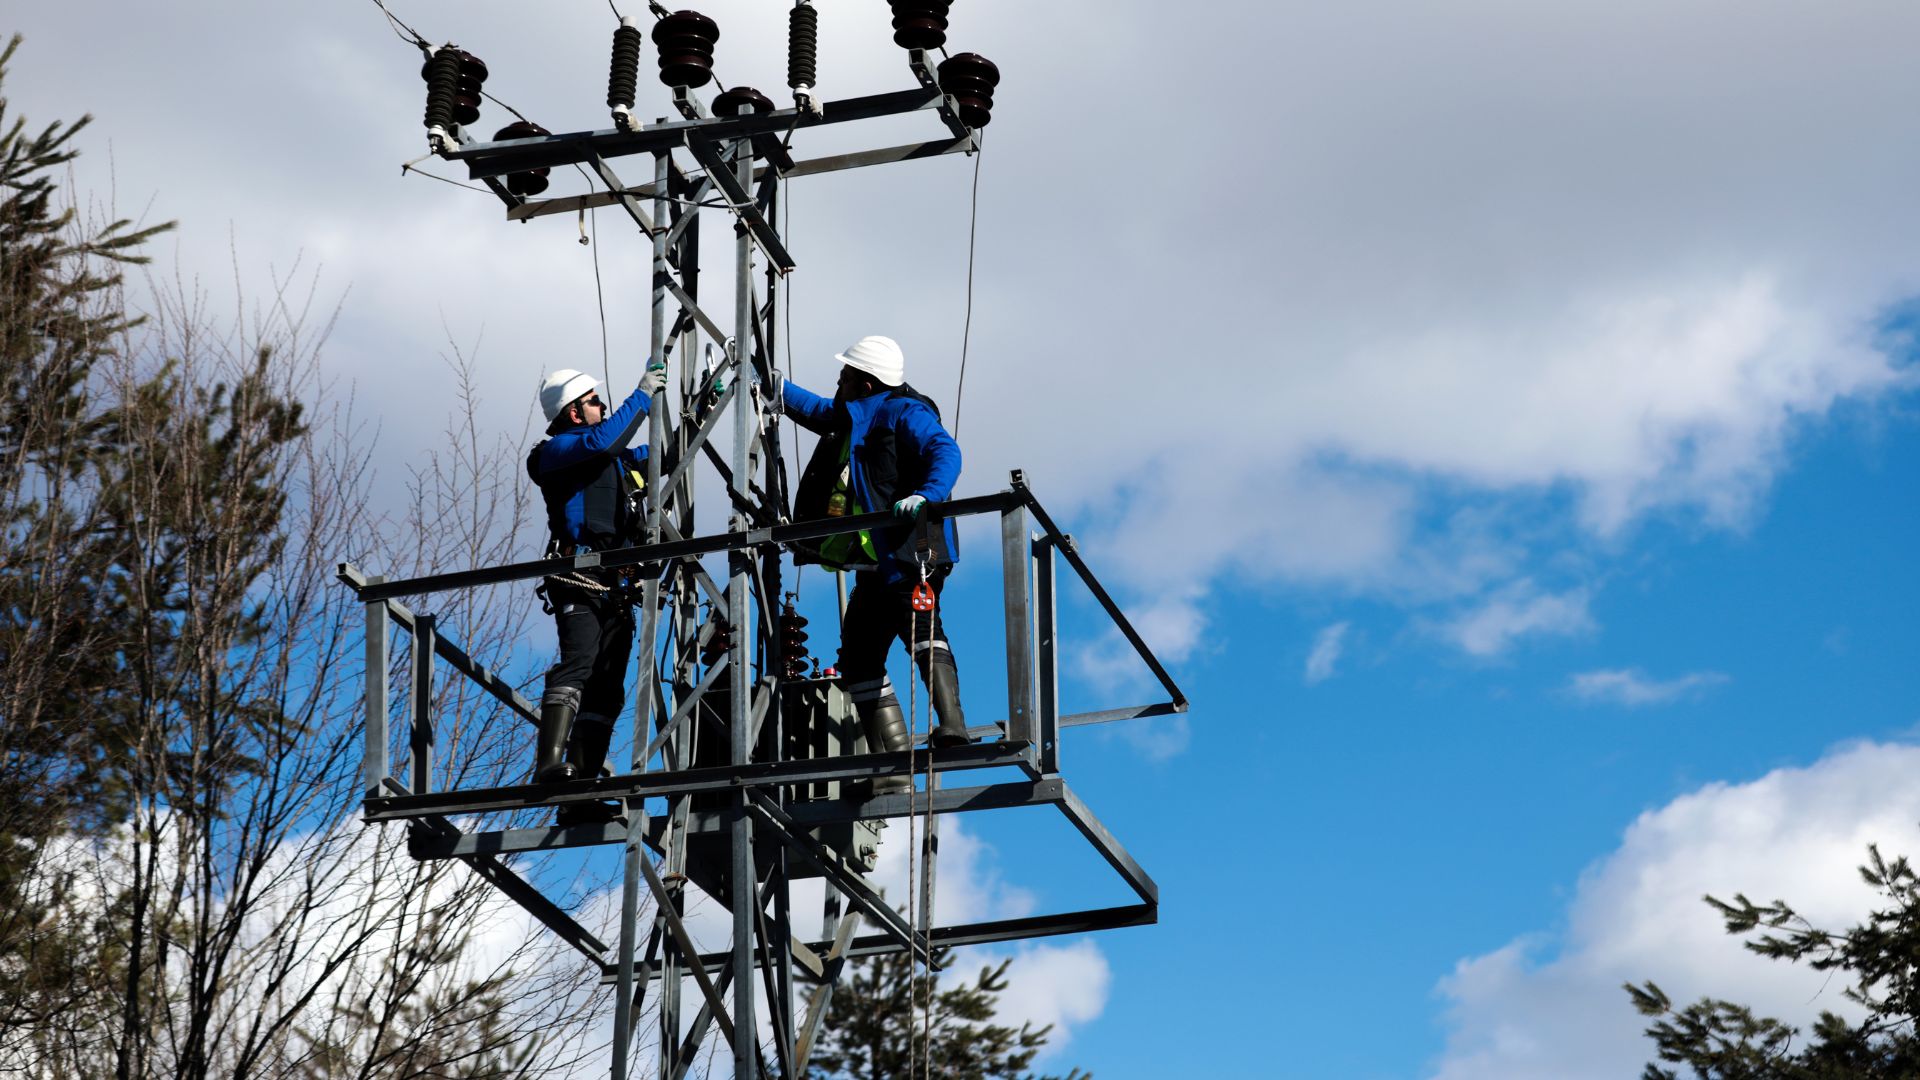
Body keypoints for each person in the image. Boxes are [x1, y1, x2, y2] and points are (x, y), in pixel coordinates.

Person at [782, 335, 975, 794]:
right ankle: (891, 764)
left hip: (911, 555)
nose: (839, 380)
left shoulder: (906, 412)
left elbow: (945, 451)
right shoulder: (860, 413)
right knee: (859, 659)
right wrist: (771, 384)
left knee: (923, 633)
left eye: (845, 375)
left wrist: (926, 494)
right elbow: (817, 411)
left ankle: (952, 726)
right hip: (877, 563)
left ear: (865, 382)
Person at [528, 362, 667, 823]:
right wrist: (642, 395)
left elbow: (661, 454)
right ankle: (550, 767)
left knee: (607, 688)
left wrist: (701, 410)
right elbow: (602, 439)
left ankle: (580, 789)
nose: (602, 408)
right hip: (579, 576)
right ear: (572, 412)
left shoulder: (612, 457)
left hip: (616, 587)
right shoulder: (557, 452)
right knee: (580, 662)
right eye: (594, 402)